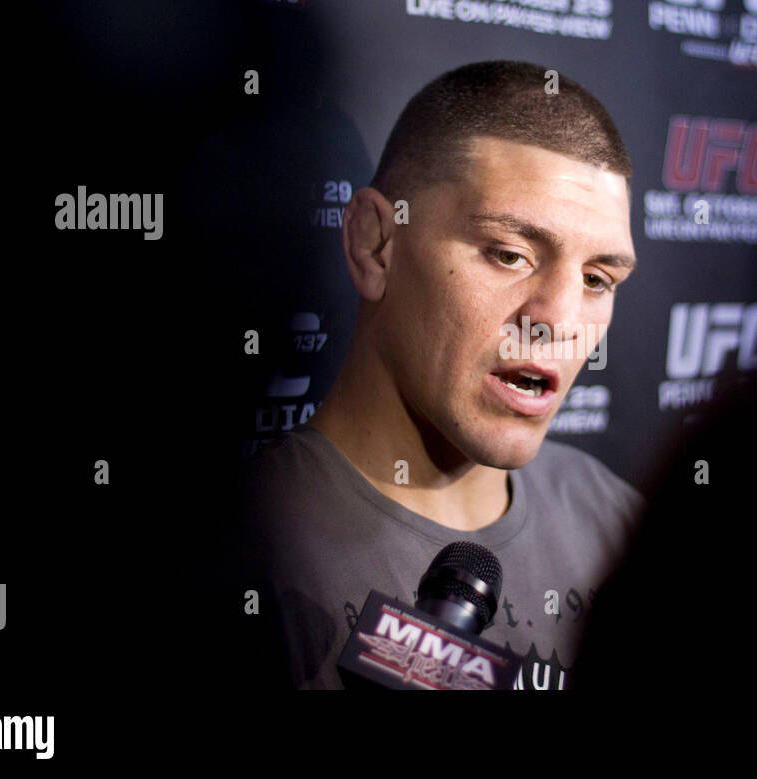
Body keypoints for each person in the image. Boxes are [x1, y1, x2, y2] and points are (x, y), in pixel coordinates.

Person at [235, 60, 643, 690]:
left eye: (596, 279)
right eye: (510, 254)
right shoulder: (240, 553)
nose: (558, 321)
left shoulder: (623, 525)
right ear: (376, 244)